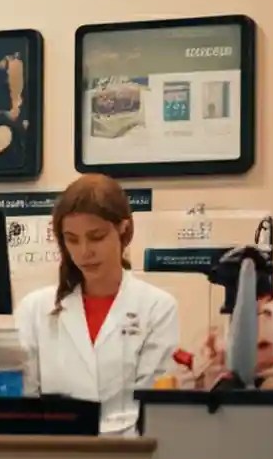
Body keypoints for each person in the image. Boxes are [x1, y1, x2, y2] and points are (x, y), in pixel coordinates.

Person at [14, 174, 179, 436]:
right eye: (72, 239)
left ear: (123, 230)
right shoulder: (34, 309)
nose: (84, 252)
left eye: (96, 237)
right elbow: (25, 398)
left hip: (131, 457)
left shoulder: (157, 308)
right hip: (53, 453)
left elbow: (153, 405)